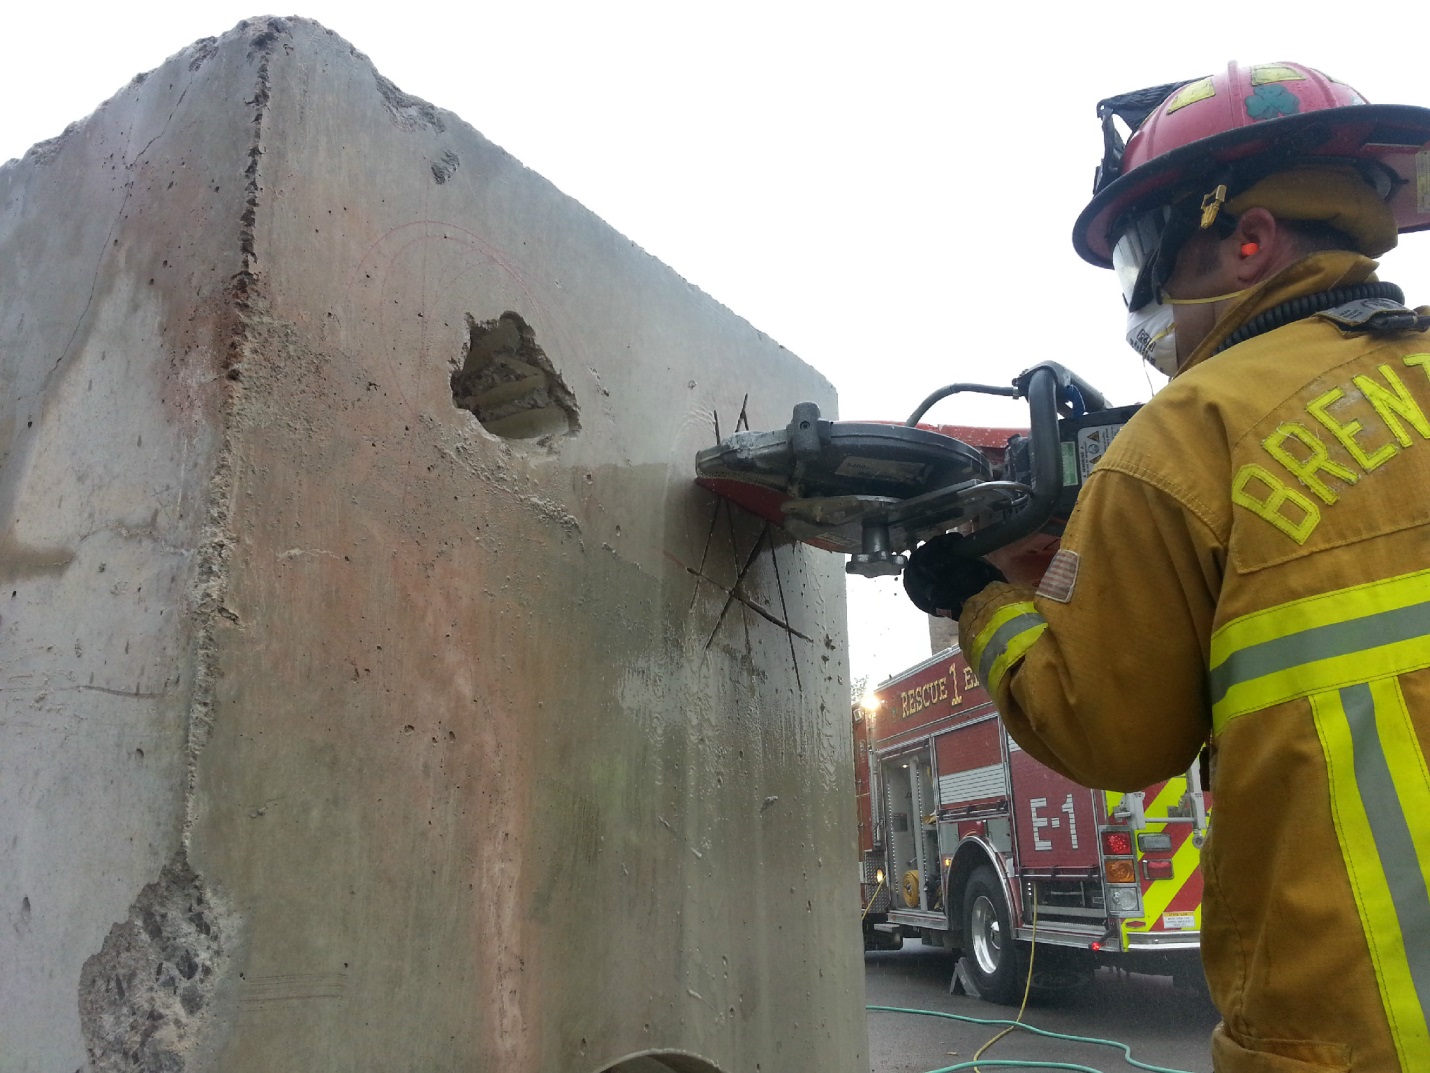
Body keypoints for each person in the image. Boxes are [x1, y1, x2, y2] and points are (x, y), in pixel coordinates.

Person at [904, 62, 1430, 1072]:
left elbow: (1111, 732)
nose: (1145, 300)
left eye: (1148, 256)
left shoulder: (1190, 433)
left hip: (1363, 1032)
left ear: (1247, 241)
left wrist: (973, 598)